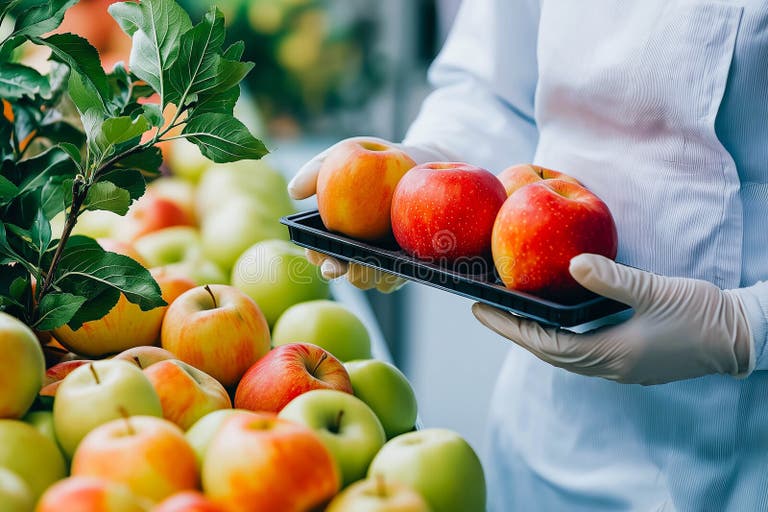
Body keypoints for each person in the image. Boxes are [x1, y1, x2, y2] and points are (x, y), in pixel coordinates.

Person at [289, 1, 768, 510]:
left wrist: (743, 326)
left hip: (747, 445)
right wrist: (430, 169)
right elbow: (492, 85)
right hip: (553, 423)